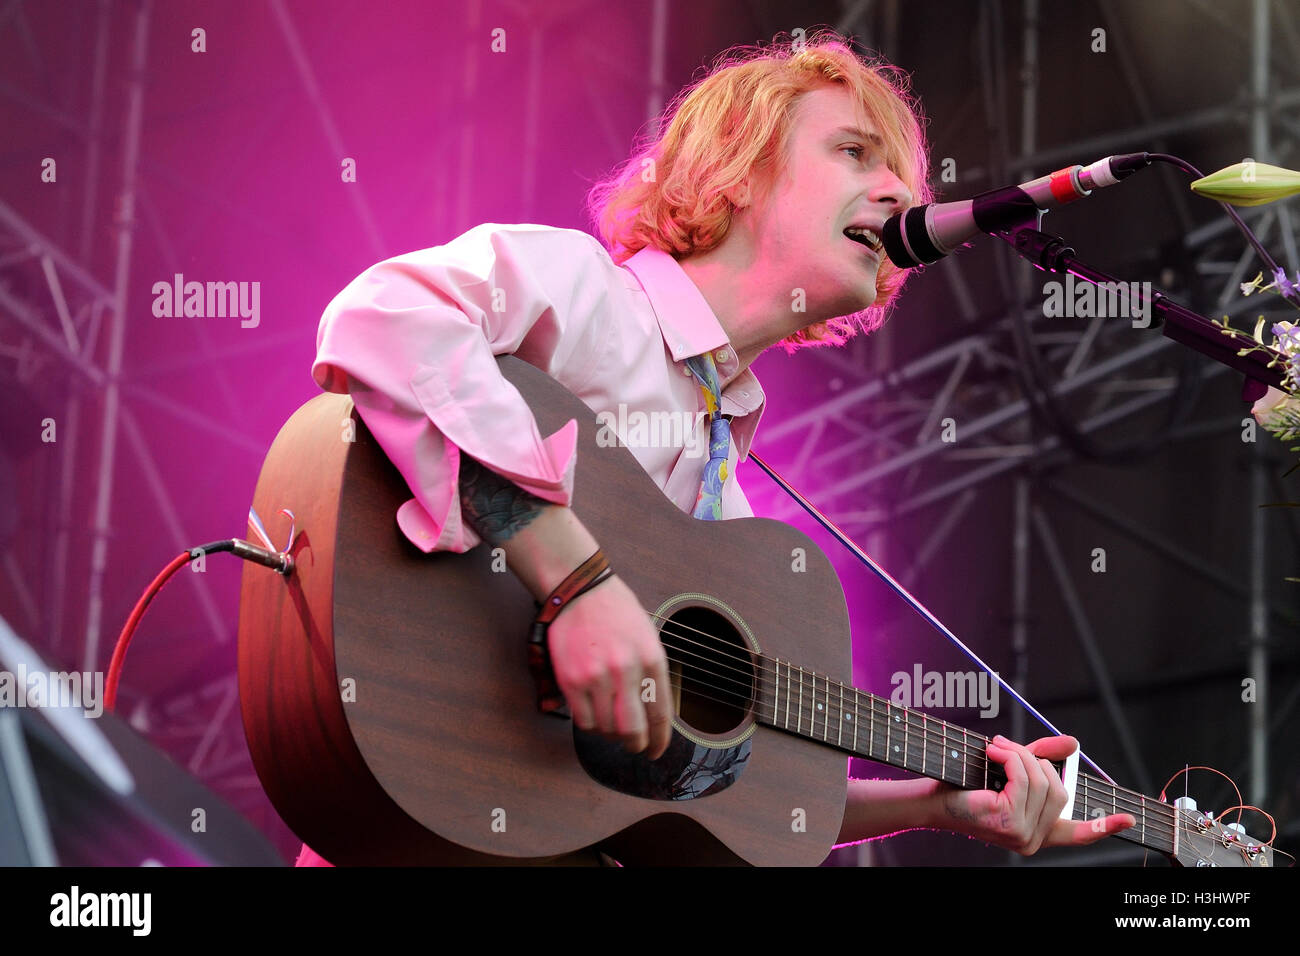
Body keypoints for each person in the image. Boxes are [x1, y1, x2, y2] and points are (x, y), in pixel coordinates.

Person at [302, 30, 1136, 866]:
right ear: (735, 167)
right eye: (854, 152)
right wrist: (577, 583)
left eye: (903, 179)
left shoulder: (726, 494)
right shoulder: (586, 296)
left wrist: (937, 803)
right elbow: (383, 320)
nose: (894, 190)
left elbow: (723, 796)